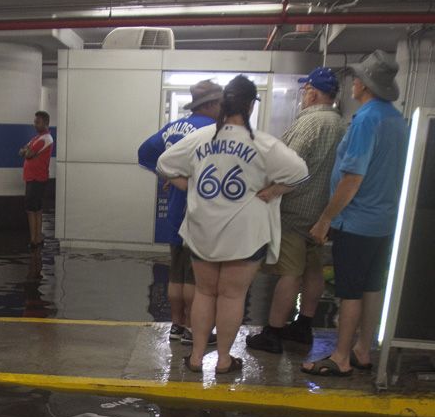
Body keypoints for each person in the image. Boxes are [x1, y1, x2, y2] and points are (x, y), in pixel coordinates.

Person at [157, 75, 308, 375]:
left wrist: (190, 185)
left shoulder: (201, 138)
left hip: (203, 231)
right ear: (251, 106)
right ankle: (224, 359)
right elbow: (300, 172)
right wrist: (273, 190)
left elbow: (164, 164)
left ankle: (196, 357)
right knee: (232, 296)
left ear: (224, 104)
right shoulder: (263, 143)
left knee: (204, 293)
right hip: (245, 234)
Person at [302, 51, 409, 377]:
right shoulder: (397, 119)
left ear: (365, 84)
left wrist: (325, 219)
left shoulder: (365, 120)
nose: (353, 82)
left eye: (357, 78)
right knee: (372, 286)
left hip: (357, 221)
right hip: (384, 221)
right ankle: (363, 350)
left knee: (348, 290)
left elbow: (352, 178)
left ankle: (341, 357)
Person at [247, 68, 346, 354]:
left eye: (305, 91)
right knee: (312, 269)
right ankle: (303, 326)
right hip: (323, 213)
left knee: (289, 273)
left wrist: (270, 189)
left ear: (313, 93)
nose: (303, 96)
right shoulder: (342, 124)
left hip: (295, 211)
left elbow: (288, 165)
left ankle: (274, 332)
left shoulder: (309, 123)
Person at [138, 80, 223, 344]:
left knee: (176, 272)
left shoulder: (173, 127)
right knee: (196, 276)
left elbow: (144, 153)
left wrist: (169, 176)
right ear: (211, 104)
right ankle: (191, 328)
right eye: (221, 103)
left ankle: (176, 325)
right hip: (200, 211)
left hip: (176, 208)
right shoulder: (213, 130)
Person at [18, 111, 54, 249]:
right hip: (35, 178)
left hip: (36, 179)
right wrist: (26, 151)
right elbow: (21, 151)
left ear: (46, 123)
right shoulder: (36, 138)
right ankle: (37, 237)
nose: (35, 124)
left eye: (38, 122)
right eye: (35, 122)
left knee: (31, 209)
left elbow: (28, 153)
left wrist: (27, 151)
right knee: (37, 208)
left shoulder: (44, 139)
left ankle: (34, 239)